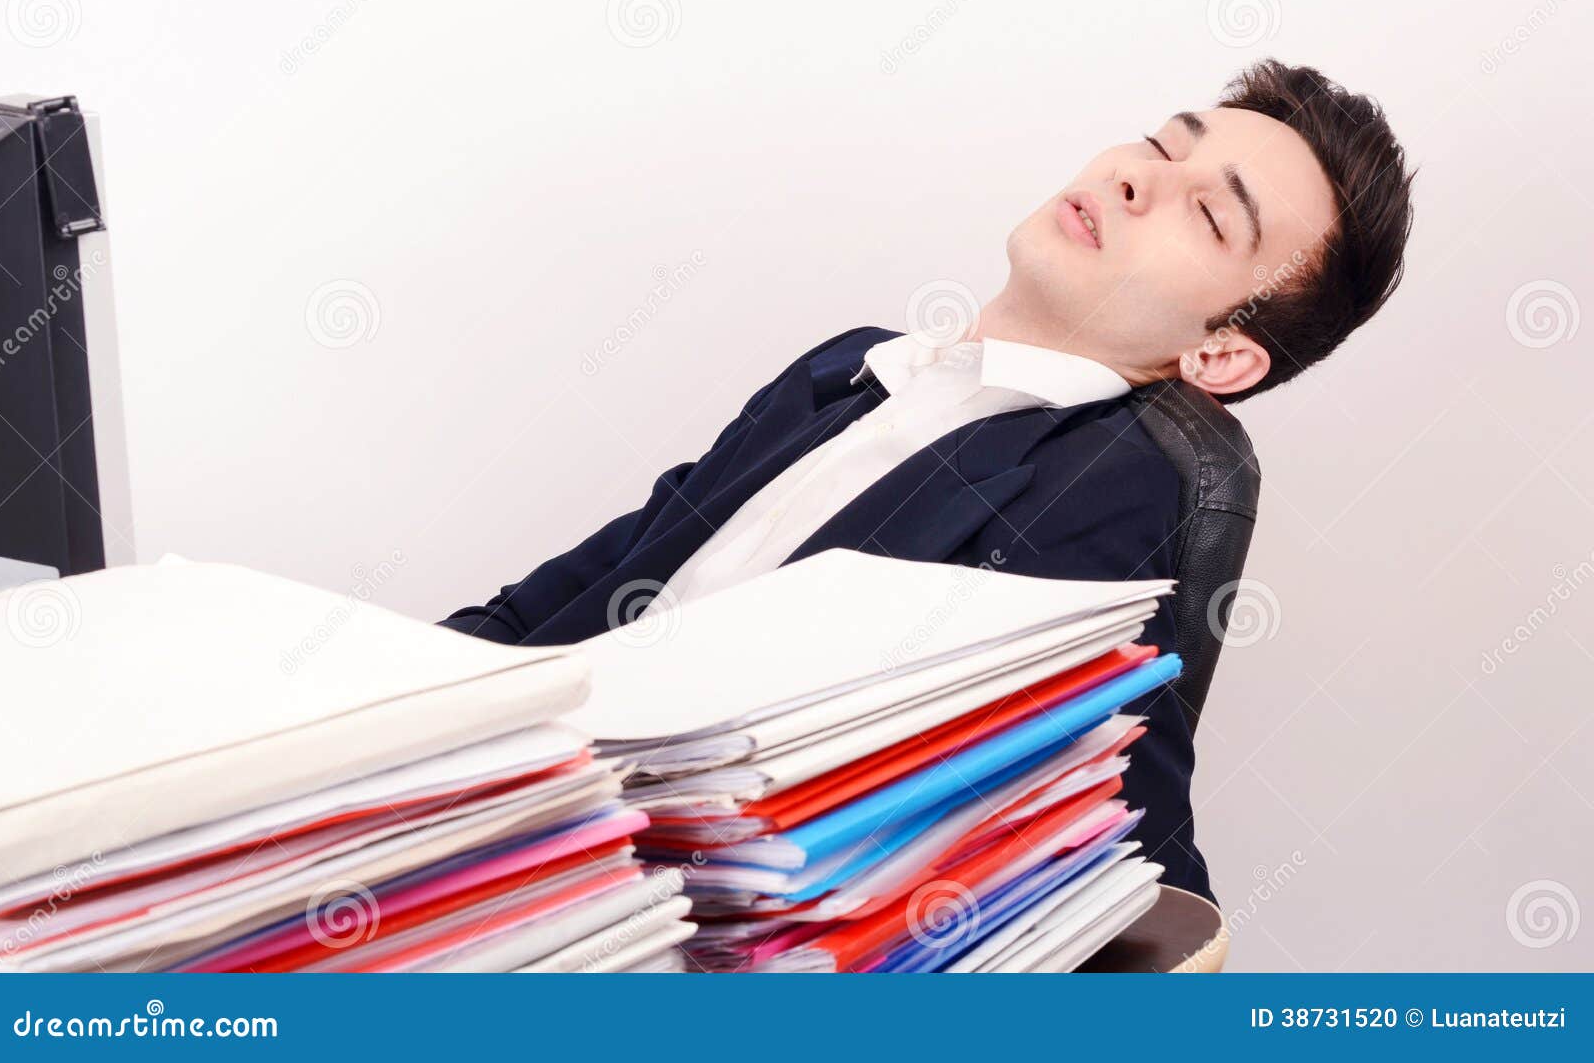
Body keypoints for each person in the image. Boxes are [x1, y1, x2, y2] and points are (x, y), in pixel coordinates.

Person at [440, 58, 1416, 901]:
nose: (1134, 180)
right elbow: (567, 598)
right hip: (480, 825)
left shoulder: (1110, 486)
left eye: (1205, 212)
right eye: (1161, 147)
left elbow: (1125, 846)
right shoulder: (848, 368)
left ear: (1219, 357)